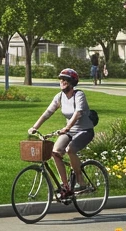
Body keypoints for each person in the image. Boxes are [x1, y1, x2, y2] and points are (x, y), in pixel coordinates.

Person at [28, 68, 96, 201]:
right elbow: (47, 113)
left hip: (85, 131)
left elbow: (78, 113)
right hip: (70, 131)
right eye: (61, 79)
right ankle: (66, 186)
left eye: (65, 80)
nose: (62, 82)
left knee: (70, 150)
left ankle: (81, 182)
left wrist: (67, 127)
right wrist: (35, 127)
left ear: (72, 82)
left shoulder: (79, 95)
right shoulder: (59, 96)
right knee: (55, 151)